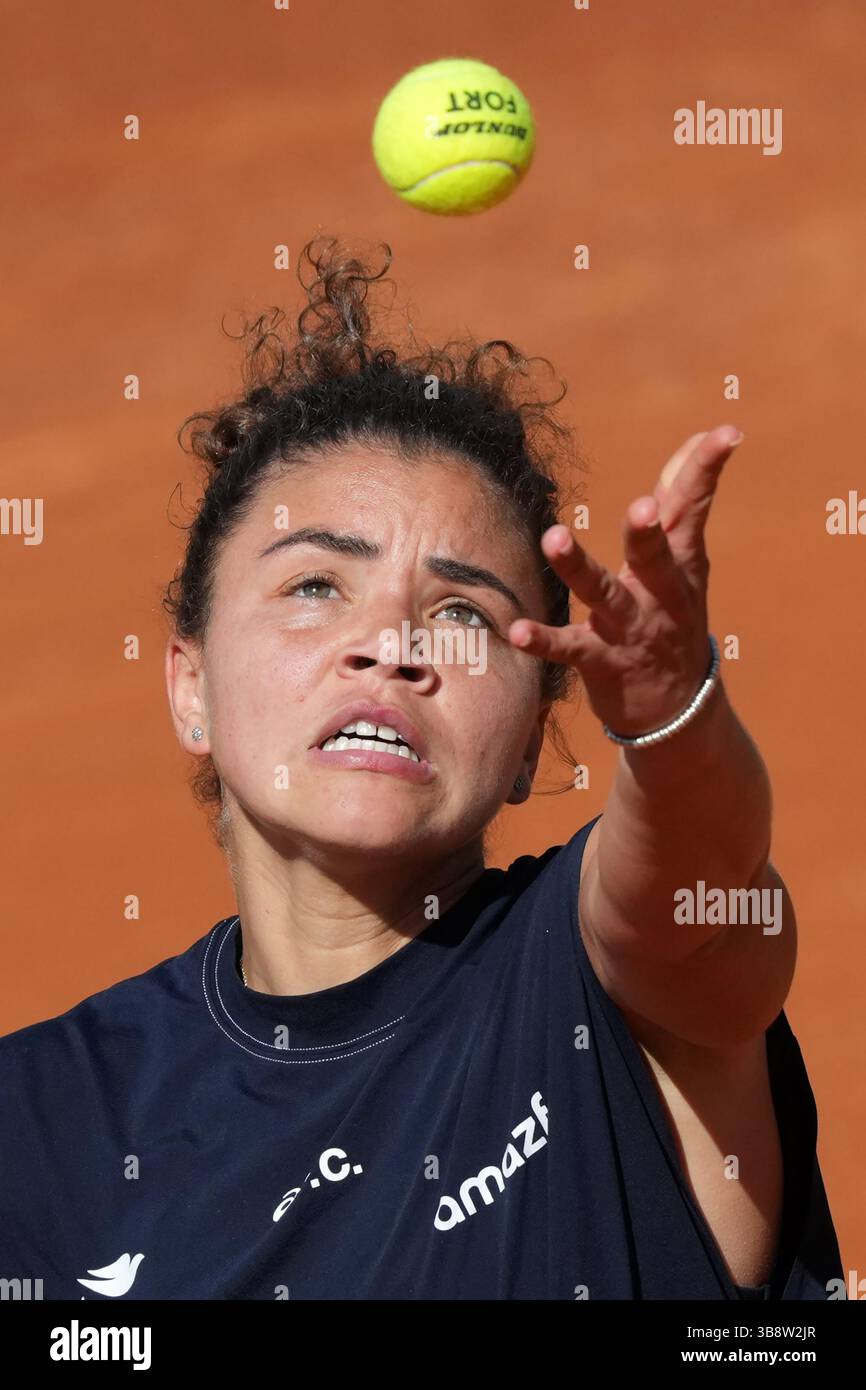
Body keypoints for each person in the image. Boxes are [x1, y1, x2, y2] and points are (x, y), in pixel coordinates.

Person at [0, 237, 844, 1300]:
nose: (389, 645)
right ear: (190, 686)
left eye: (459, 612)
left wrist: (671, 720)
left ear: (536, 735)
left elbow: (704, 896)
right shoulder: (40, 1127)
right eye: (315, 586)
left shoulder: (602, 995)